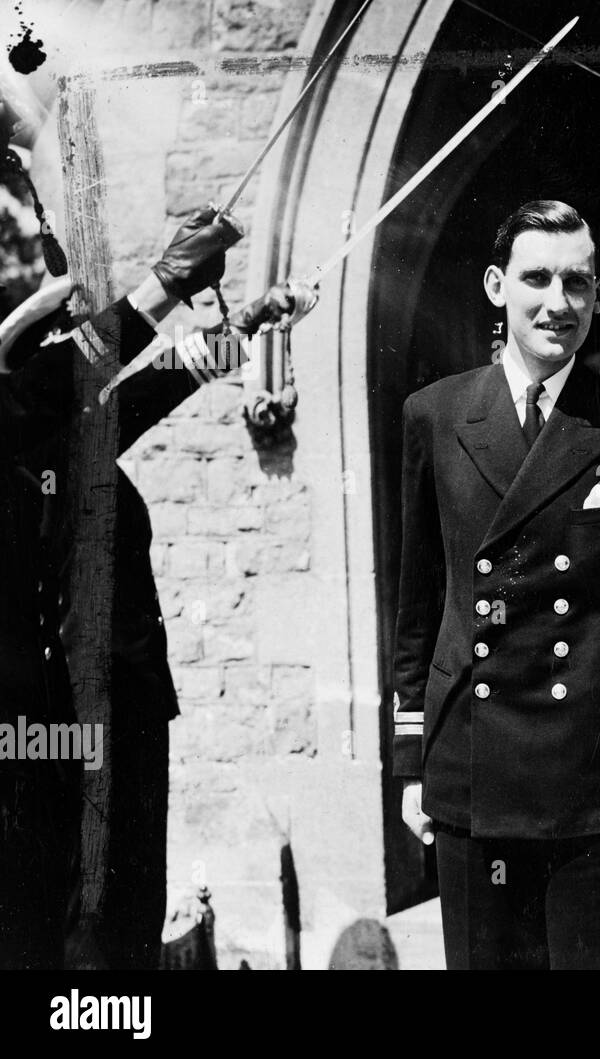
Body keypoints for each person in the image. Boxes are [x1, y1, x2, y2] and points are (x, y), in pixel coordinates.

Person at [391, 200, 600, 969]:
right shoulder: (436, 415)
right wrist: (409, 761)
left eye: (578, 283)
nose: (558, 302)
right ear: (496, 286)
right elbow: (418, 602)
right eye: (537, 278)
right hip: (472, 768)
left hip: (591, 772)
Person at [0, 207, 241, 969]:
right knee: (78, 925)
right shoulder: (22, 427)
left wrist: (241, 328)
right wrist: (161, 286)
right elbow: (79, 375)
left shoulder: (58, 437)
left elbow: (140, 395)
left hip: (120, 704)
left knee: (120, 916)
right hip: (58, 721)